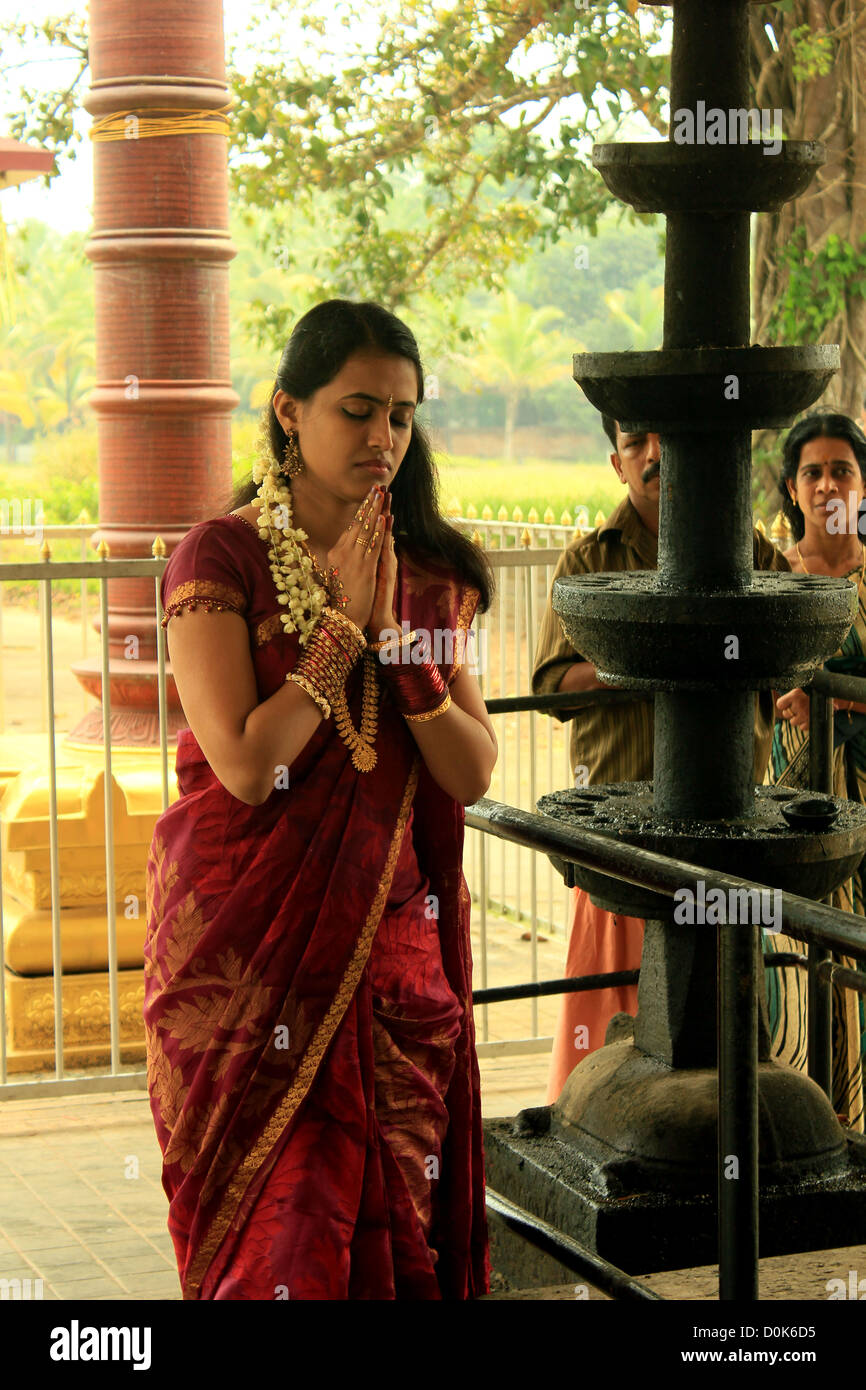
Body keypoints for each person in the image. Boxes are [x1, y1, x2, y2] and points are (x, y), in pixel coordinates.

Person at [143, 299, 497, 1299]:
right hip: (248, 962)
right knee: (282, 1245)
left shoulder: (427, 579)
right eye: (356, 410)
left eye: (399, 413)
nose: (382, 437)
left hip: (390, 970)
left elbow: (469, 770)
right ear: (287, 412)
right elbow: (249, 766)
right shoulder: (218, 557)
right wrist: (340, 633)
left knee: (396, 1242)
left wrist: (396, 644)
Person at [531, 415, 789, 1103]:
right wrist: (649, 660)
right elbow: (552, 688)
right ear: (616, 462)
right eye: (636, 441)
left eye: (668, 437)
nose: (654, 453)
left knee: (726, 1042)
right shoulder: (589, 562)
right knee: (606, 1034)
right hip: (621, 841)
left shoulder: (757, 557)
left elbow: (790, 667)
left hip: (727, 836)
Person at [767, 410, 866, 1134]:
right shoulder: (767, 577)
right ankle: (803, 1130)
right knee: (795, 963)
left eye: (843, 469)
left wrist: (838, 697)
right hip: (787, 805)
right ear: (793, 489)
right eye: (813, 471)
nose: (828, 483)